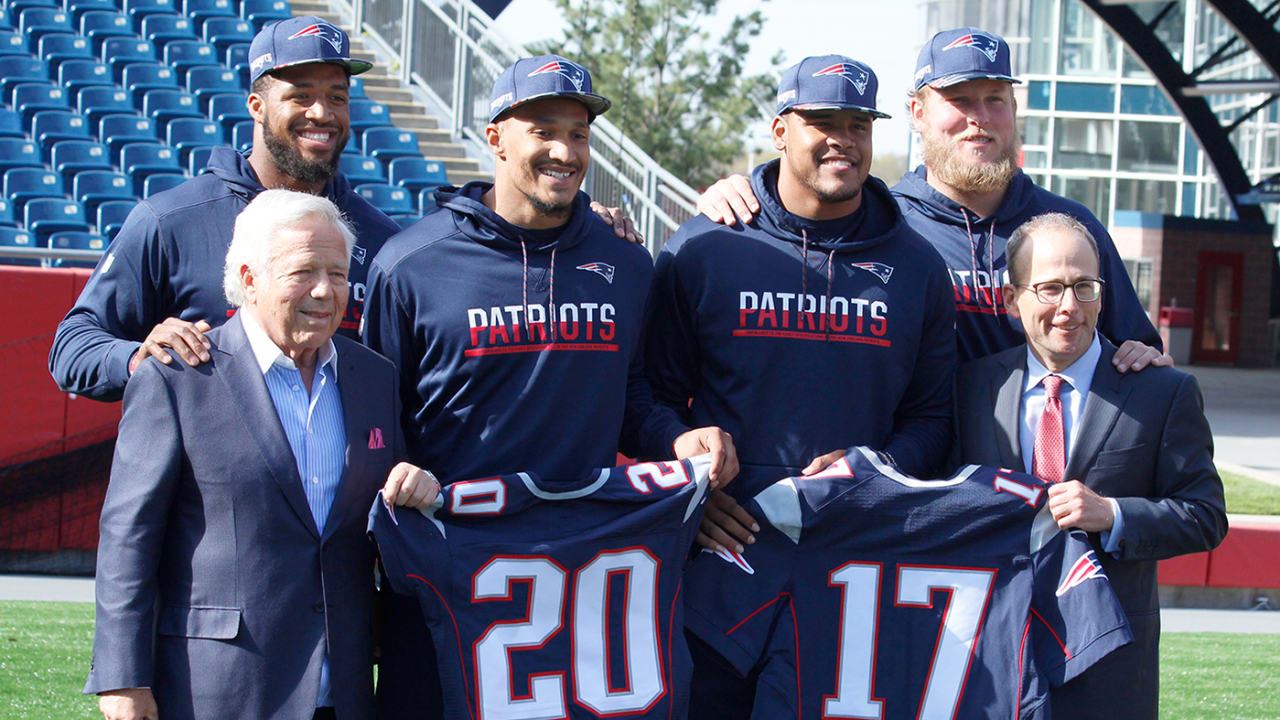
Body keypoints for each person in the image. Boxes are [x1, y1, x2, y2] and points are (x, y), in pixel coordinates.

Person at [361, 54, 737, 718]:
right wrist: (397, 473)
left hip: (581, 580)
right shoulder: (412, 264)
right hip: (448, 573)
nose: (565, 150)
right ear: (496, 137)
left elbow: (634, 400)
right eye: (543, 129)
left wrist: (678, 440)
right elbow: (373, 422)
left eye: (579, 132)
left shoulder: (623, 262)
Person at [47, 17, 640, 403]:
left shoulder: (383, 243)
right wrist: (137, 357)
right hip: (213, 526)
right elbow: (72, 345)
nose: (321, 113)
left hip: (341, 531)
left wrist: (587, 224)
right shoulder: (171, 221)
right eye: (299, 95)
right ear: (256, 103)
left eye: (336, 95)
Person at [644, 55, 956, 718]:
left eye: (858, 124)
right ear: (782, 128)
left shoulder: (918, 266)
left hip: (852, 572)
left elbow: (934, 417)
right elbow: (644, 396)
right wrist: (684, 472)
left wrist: (879, 468)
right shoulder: (705, 248)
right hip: (720, 564)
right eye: (822, 121)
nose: (842, 138)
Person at [84, 190, 440, 720]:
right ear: (249, 279)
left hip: (339, 691)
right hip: (215, 688)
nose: (325, 291)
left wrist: (420, 486)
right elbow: (128, 538)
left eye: (338, 274)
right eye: (304, 272)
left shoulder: (375, 378)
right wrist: (122, 680)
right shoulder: (178, 376)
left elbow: (374, 518)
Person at [694, 27, 1169, 372]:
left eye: (994, 99)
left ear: (1014, 108)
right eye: (959, 101)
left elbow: (1134, 349)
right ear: (918, 113)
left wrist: (1144, 356)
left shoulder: (1068, 227)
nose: (978, 118)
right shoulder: (880, 220)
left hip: (1042, 478)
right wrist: (752, 189)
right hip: (919, 479)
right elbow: (801, 216)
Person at [953, 212, 1227, 720]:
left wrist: (1113, 514)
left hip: (1110, 669)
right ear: (1012, 300)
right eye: (1051, 288)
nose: (1069, 308)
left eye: (1084, 287)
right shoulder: (971, 389)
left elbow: (1205, 516)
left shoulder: (1161, 392)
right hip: (989, 661)